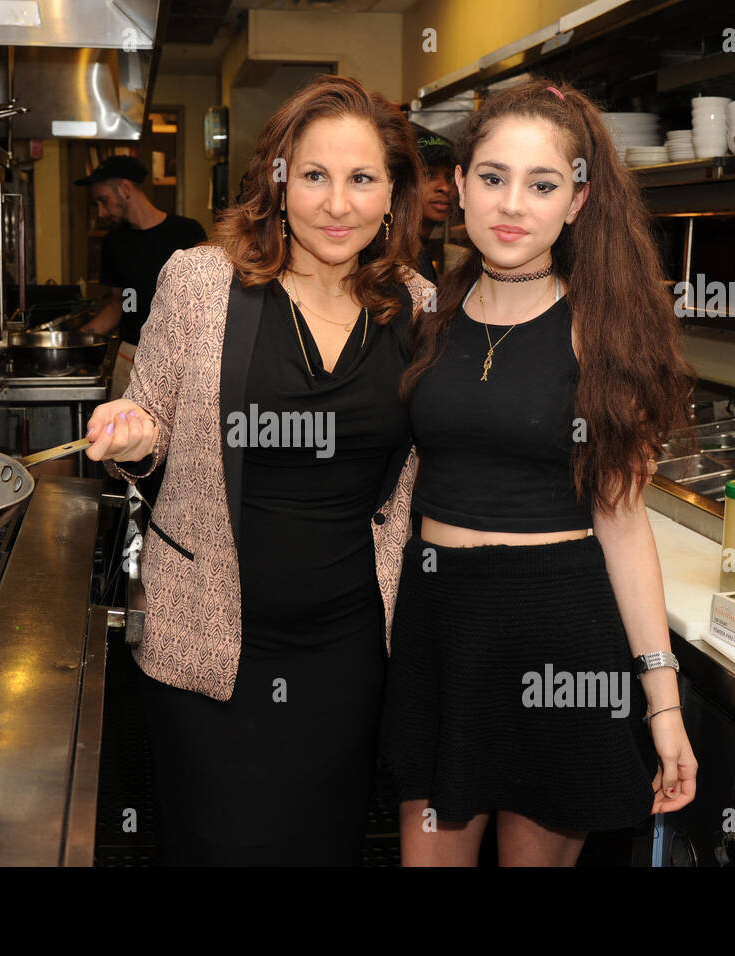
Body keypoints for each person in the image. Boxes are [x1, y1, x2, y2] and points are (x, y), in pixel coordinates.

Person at [83, 75, 429, 865]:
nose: (337, 204)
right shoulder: (200, 281)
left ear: (392, 194)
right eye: (314, 176)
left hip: (349, 649)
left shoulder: (418, 307)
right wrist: (133, 436)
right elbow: (151, 416)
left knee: (325, 844)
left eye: (362, 178)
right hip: (210, 640)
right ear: (277, 181)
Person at [379, 79, 699, 866]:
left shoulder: (603, 334)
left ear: (578, 201)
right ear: (458, 186)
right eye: (493, 177)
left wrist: (662, 702)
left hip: (558, 631)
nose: (513, 204)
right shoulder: (426, 319)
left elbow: (622, 522)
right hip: (439, 628)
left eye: (543, 184)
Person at [75, 155, 206, 398]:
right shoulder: (114, 242)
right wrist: (79, 338)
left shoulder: (186, 232)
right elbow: (118, 304)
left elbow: (204, 302)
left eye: (103, 200)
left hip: (179, 358)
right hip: (130, 354)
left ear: (125, 189)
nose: (101, 212)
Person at [411, 125, 459, 284]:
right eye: (429, 175)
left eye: (450, 177)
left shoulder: (420, 252)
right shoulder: (395, 255)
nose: (445, 187)